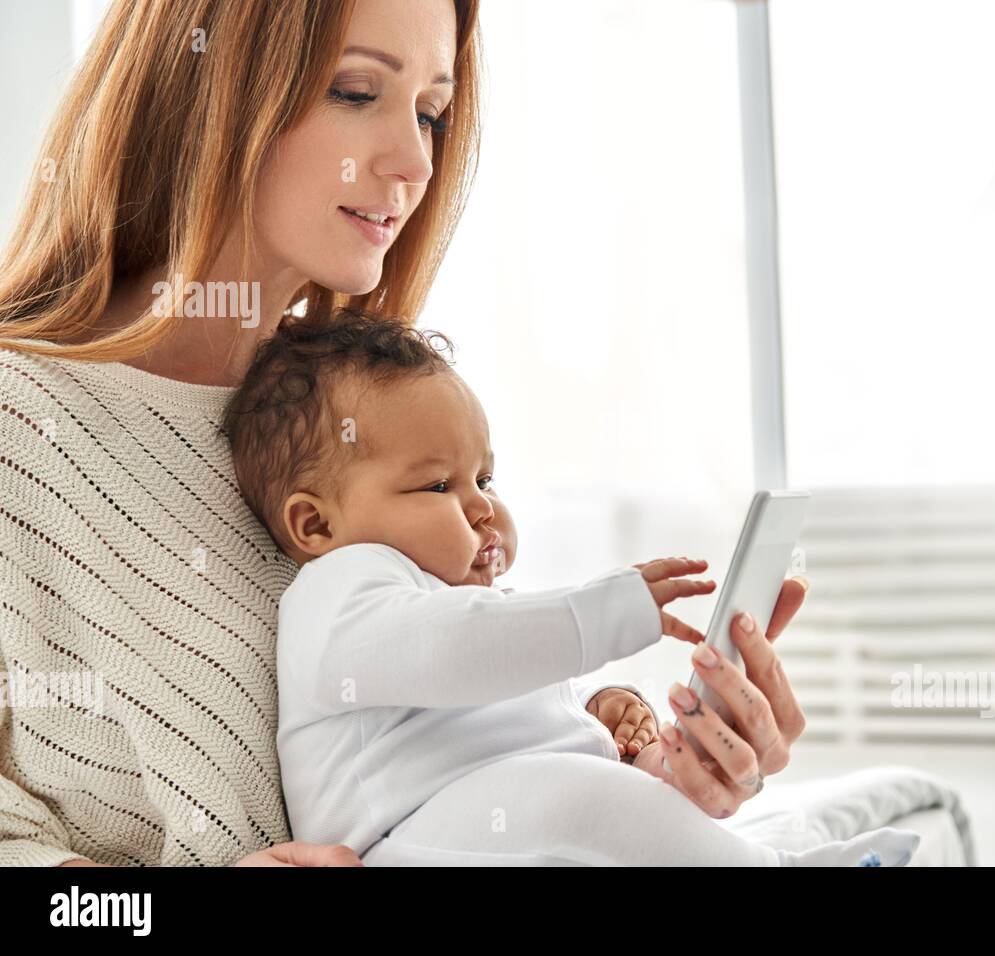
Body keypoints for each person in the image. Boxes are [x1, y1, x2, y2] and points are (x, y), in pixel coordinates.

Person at [0, 0, 814, 867]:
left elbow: (444, 768)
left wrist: (657, 774)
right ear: (210, 84)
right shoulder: (24, 427)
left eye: (431, 111)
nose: (413, 159)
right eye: (356, 91)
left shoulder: (368, 420)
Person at [229, 310, 920, 866]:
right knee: (581, 801)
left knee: (607, 795)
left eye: (486, 480)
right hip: (399, 842)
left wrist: (609, 726)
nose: (481, 508)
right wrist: (606, 612)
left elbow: (504, 691)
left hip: (495, 826)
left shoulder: (464, 601)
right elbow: (452, 652)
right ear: (315, 523)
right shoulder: (338, 587)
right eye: (439, 485)